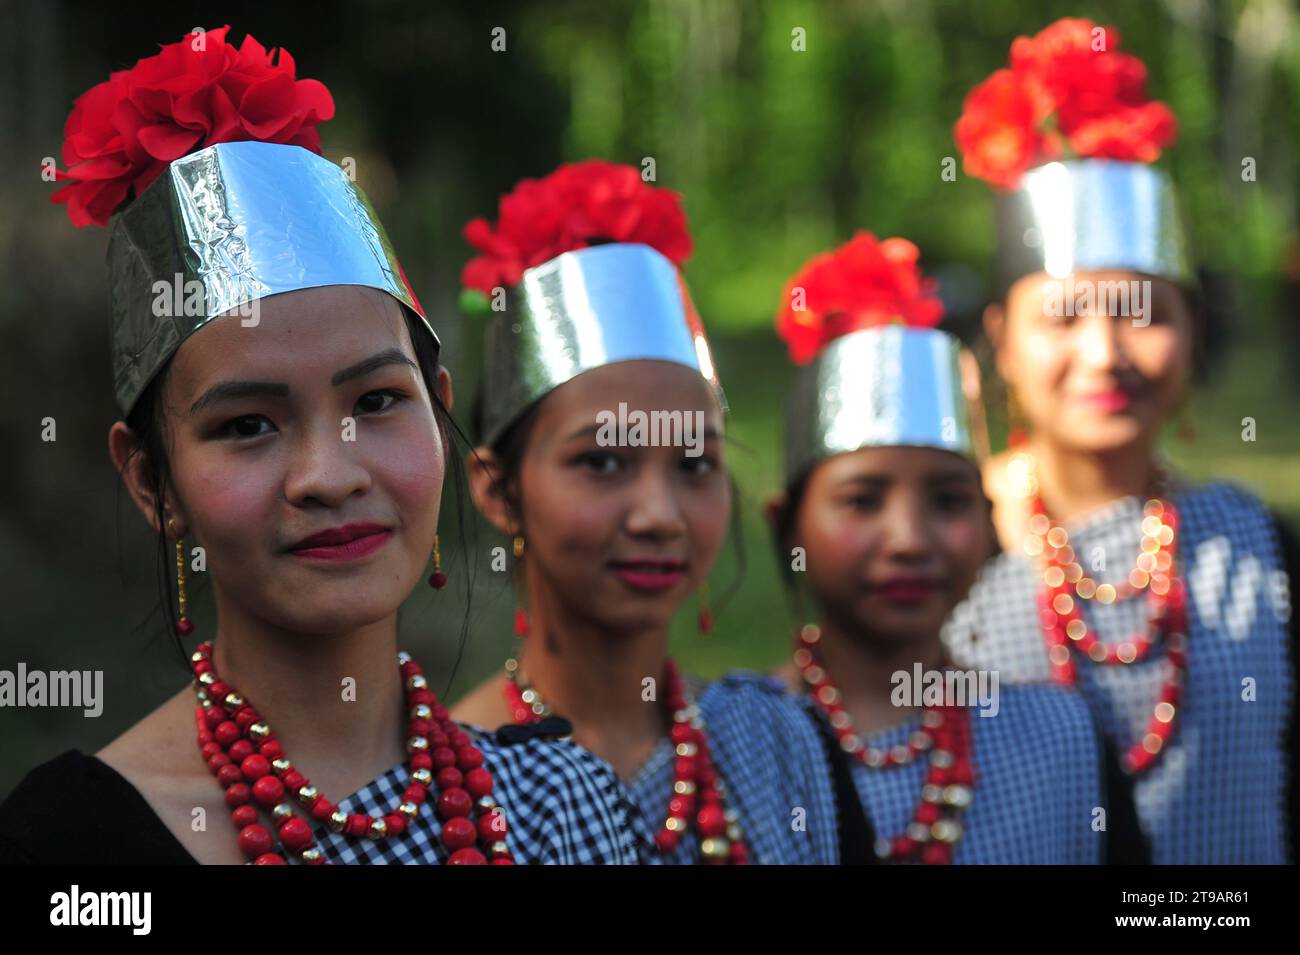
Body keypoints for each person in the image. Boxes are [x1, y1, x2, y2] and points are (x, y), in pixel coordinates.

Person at [0, 27, 635, 866]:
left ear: (439, 412)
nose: (328, 475)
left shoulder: (561, 803)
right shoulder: (70, 846)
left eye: (376, 401)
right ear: (152, 481)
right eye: (247, 425)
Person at [945, 17, 1296, 862]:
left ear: (1191, 330)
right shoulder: (942, 559)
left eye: (1142, 313)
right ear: (1002, 339)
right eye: (1064, 316)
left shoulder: (1259, 552)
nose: (1105, 353)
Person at [449, 161, 839, 863]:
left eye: (694, 465)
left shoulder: (781, 742)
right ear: (498, 491)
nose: (659, 515)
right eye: (602, 462)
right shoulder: (450, 795)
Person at [766, 232, 1147, 863]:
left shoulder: (1061, 742)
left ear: (990, 521)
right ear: (786, 527)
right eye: (862, 501)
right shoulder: (734, 747)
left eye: (948, 501)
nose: (909, 540)